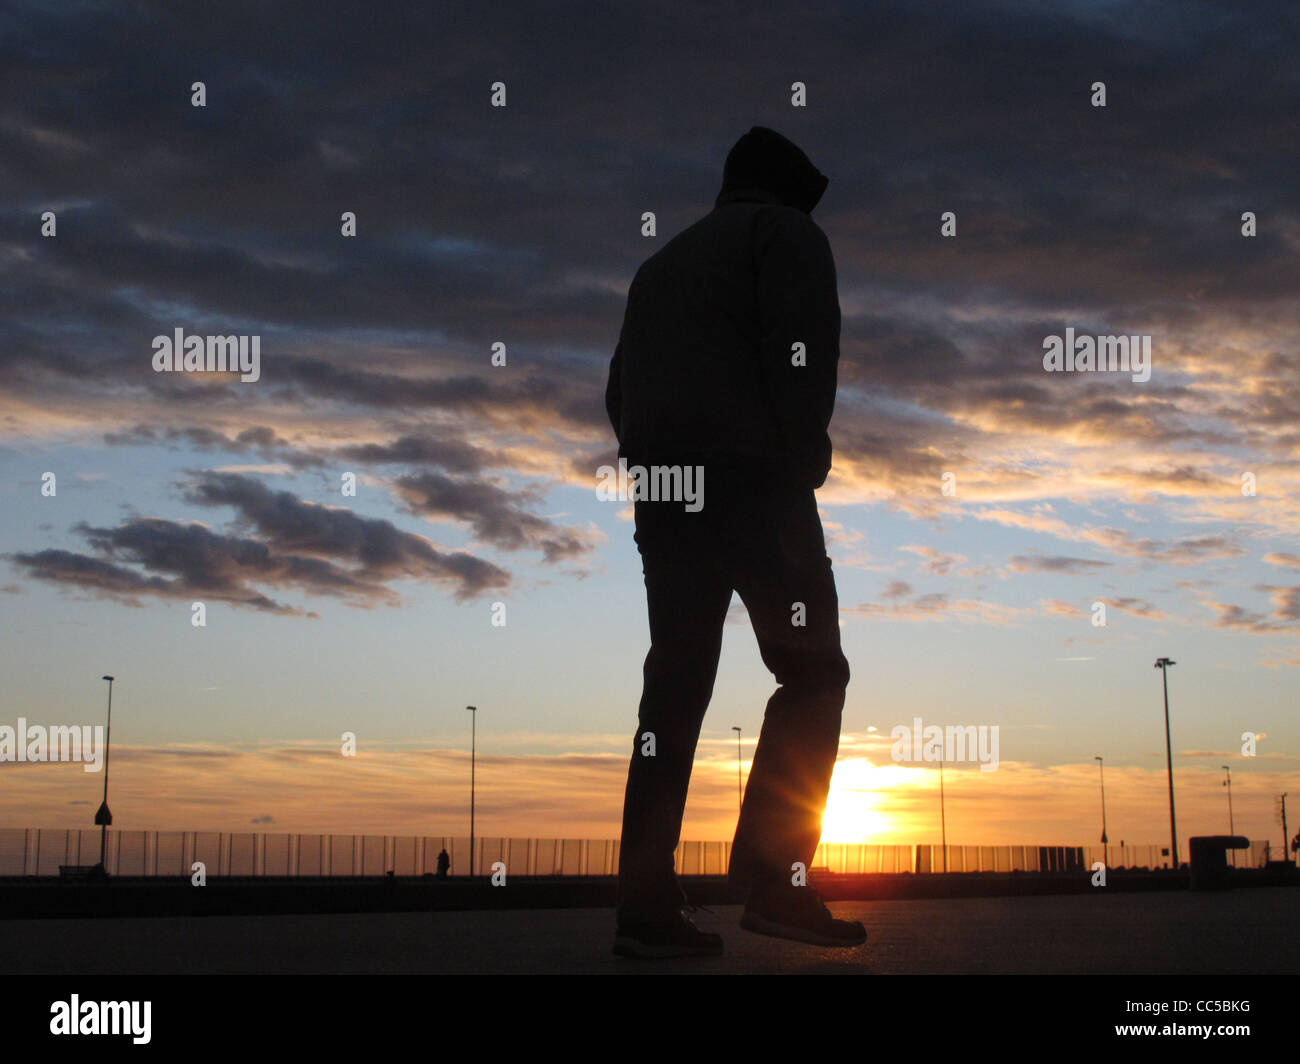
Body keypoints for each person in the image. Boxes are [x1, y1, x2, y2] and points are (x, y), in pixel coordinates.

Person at [606, 126, 866, 958]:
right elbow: (799, 355)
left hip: (666, 491)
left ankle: (644, 902)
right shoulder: (785, 235)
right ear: (786, 189)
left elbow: (619, 391)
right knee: (812, 671)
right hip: (756, 482)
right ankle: (774, 880)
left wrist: (653, 466)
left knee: (674, 691)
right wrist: (801, 463)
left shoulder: (660, 268)